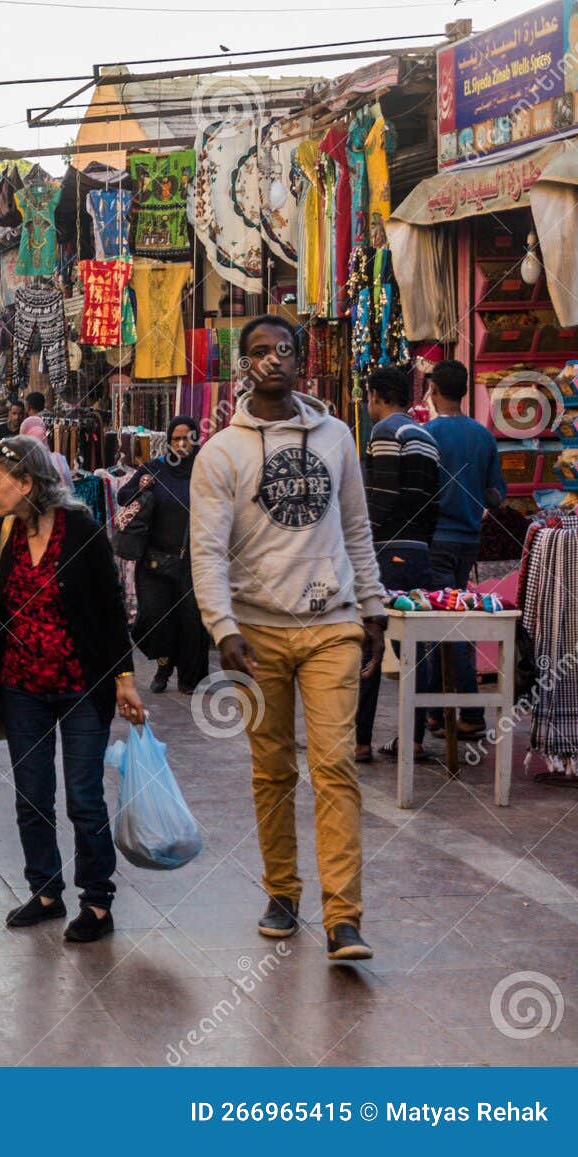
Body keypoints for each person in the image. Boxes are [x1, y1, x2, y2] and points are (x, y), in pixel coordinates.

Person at [189, 315, 386, 962]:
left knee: (333, 767)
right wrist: (221, 628)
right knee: (271, 770)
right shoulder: (222, 452)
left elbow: (357, 529)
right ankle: (281, 891)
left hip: (332, 624)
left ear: (301, 359)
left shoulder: (336, 438)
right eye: (260, 352)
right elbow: (207, 550)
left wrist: (375, 610)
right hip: (257, 633)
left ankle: (344, 918)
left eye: (284, 349)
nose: (274, 359)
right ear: (244, 364)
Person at [0, 437, 144, 942]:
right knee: (32, 796)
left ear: (27, 482)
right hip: (20, 688)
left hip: (82, 684)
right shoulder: (2, 532)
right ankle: (44, 890)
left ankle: (97, 901)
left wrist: (124, 679)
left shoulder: (79, 527)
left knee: (84, 797)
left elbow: (108, 611)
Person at [355, 366, 440, 763]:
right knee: (416, 646)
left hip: (388, 548)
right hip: (420, 549)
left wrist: (363, 539)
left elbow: (383, 494)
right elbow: (432, 501)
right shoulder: (426, 436)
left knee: (369, 639)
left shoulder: (386, 432)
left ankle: (361, 740)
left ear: (377, 394)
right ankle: (414, 738)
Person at [422, 359, 505, 740]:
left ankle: (469, 712)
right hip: (467, 542)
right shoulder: (483, 436)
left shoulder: (426, 434)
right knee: (448, 620)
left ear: (435, 392)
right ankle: (438, 712)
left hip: (437, 540)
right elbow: (497, 494)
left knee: (442, 626)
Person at [117, 414, 209, 694]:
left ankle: (190, 678)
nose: (182, 443)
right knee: (159, 619)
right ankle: (164, 665)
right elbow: (123, 498)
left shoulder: (206, 470)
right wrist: (141, 484)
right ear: (168, 442)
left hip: (193, 561)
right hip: (155, 562)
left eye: (187, 438)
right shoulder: (156, 469)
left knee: (192, 621)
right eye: (176, 439)